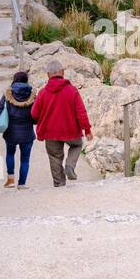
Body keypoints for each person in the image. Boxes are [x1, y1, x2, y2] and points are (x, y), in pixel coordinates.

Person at [31, 57, 92, 187]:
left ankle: (59, 184)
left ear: (48, 75)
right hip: (70, 130)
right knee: (76, 145)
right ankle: (70, 165)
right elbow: (81, 113)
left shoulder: (42, 93)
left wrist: (38, 120)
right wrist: (87, 130)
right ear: (63, 72)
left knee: (54, 157)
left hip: (50, 132)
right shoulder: (72, 91)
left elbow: (34, 114)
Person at [0, 70, 36, 188]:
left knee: (10, 154)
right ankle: (22, 184)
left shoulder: (7, 95)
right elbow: (36, 117)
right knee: (25, 159)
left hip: (10, 133)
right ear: (26, 81)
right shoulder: (33, 96)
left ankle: (10, 181)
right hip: (27, 134)